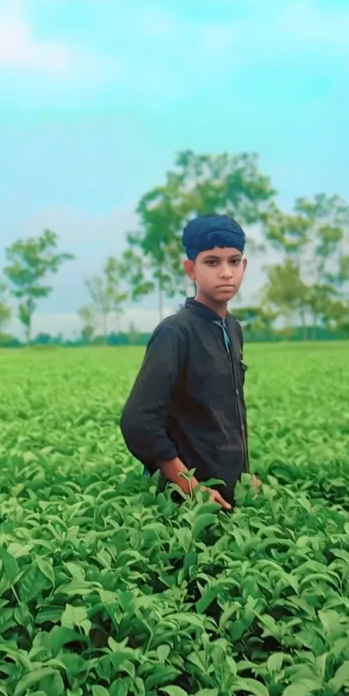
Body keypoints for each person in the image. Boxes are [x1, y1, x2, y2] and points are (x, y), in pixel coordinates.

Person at [120, 213, 261, 511]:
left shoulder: (233, 329)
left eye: (234, 261)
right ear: (191, 269)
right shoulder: (175, 332)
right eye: (212, 262)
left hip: (230, 498)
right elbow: (139, 422)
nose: (226, 272)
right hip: (188, 506)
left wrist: (245, 474)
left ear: (244, 266)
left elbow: (221, 415)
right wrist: (192, 489)